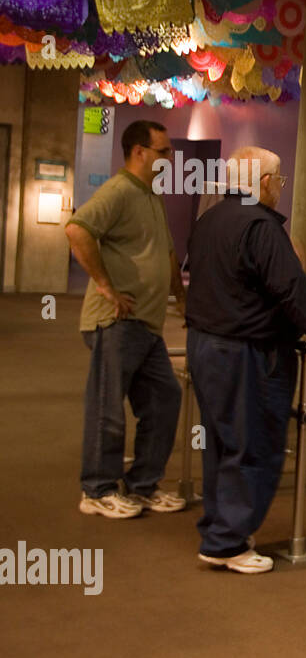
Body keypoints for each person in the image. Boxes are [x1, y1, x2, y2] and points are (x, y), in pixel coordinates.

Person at [184, 146, 306, 574]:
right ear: (262, 183)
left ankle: (220, 531)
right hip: (247, 353)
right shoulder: (260, 226)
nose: (279, 189)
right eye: (277, 181)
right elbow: (291, 289)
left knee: (221, 444)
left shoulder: (209, 221)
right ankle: (226, 543)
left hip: (206, 345)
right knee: (253, 444)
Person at [66, 120, 187, 519]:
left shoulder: (150, 195)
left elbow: (167, 253)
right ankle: (97, 490)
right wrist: (105, 286)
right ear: (140, 152)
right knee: (107, 407)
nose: (169, 158)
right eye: (164, 151)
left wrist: (181, 297)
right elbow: (77, 229)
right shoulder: (118, 190)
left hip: (146, 324)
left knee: (165, 398)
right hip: (116, 320)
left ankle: (142, 484)